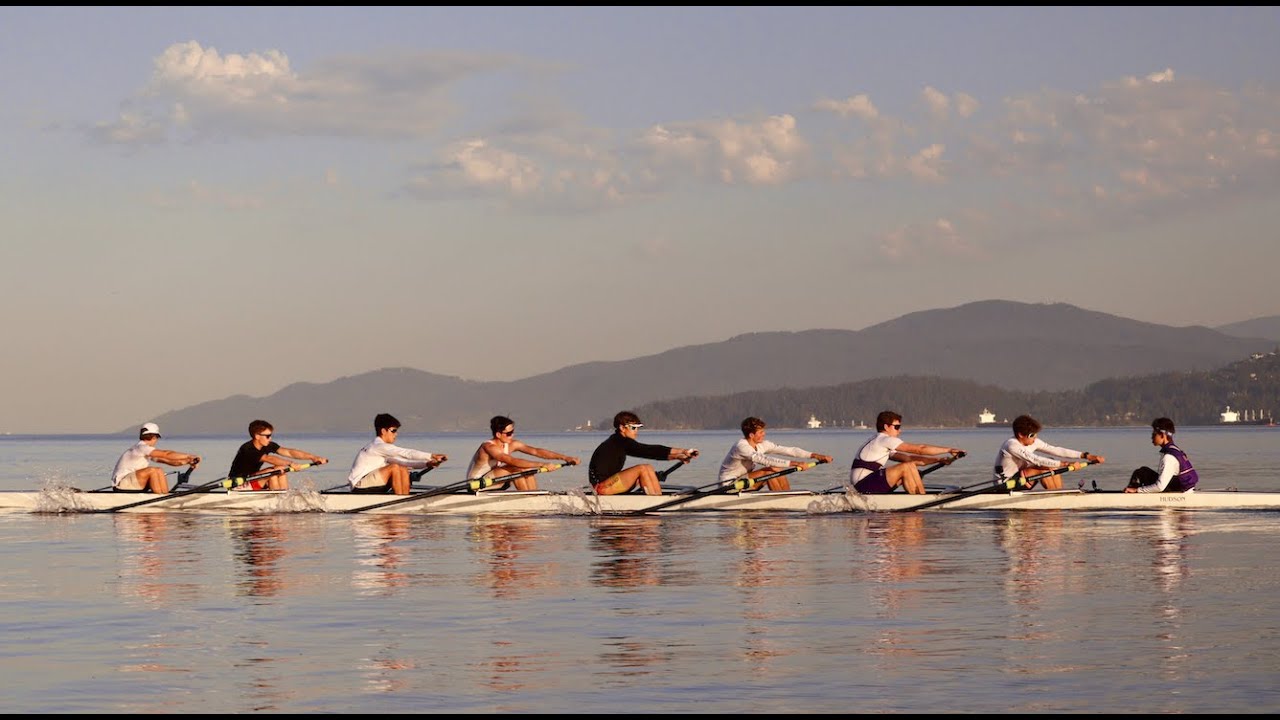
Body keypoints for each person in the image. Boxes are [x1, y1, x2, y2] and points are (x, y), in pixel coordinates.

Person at [851, 411, 964, 495]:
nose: (899, 431)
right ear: (886, 427)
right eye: (897, 427)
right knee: (907, 467)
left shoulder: (880, 443)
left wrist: (939, 460)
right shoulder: (884, 439)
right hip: (863, 485)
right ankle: (922, 498)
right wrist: (949, 450)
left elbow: (909, 458)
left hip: (866, 484)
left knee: (910, 466)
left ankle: (918, 496)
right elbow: (920, 449)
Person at [588, 411, 699, 496]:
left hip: (610, 484)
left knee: (648, 468)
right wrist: (682, 451)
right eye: (633, 428)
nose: (636, 431)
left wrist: (678, 457)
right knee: (643, 468)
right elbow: (649, 450)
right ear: (622, 428)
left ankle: (657, 497)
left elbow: (651, 453)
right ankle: (656, 500)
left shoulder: (620, 442)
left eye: (638, 428)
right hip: (601, 488)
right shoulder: (619, 442)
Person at [465, 415, 580, 491]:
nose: (512, 435)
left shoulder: (512, 444)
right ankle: (528, 499)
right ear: (498, 434)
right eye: (508, 433)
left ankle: (534, 496)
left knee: (526, 469)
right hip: (476, 483)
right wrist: (542, 465)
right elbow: (512, 461)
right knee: (516, 468)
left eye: (513, 432)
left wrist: (565, 457)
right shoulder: (489, 447)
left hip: (495, 480)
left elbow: (536, 451)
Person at [718, 416, 833, 491]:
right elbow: (764, 460)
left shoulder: (763, 445)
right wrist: (795, 464)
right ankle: (783, 500)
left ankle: (788, 496)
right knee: (770, 470)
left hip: (745, 481)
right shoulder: (741, 446)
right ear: (751, 435)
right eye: (761, 432)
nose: (764, 434)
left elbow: (790, 450)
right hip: (729, 485)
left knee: (776, 469)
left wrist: (817, 456)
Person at [993, 414, 1104, 490]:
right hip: (1005, 484)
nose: (1035, 438)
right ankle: (1055, 498)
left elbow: (1056, 450)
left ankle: (1059, 493)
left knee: (1051, 464)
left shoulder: (1033, 442)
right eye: (1032, 435)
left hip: (1022, 479)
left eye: (1036, 434)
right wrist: (1066, 464)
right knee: (1044, 467)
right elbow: (1036, 460)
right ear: (1021, 435)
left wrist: (1086, 456)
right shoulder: (1012, 445)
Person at [347, 413, 448, 495]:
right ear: (383, 431)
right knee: (394, 467)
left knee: (402, 467)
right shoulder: (378, 446)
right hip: (359, 487)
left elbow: (405, 462)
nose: (396, 434)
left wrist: (428, 463)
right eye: (393, 430)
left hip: (370, 483)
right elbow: (407, 453)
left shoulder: (383, 450)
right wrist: (432, 455)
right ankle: (400, 499)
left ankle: (404, 497)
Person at [227, 419, 328, 491]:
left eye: (270, 435)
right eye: (267, 436)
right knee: (275, 471)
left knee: (279, 469)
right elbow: (269, 458)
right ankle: (279, 498)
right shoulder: (247, 449)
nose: (270, 438)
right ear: (257, 436)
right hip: (239, 484)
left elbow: (289, 452)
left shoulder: (267, 445)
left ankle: (284, 495)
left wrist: (313, 457)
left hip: (253, 480)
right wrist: (291, 464)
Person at [110, 422, 202, 493]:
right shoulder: (141, 448)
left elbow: (168, 461)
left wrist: (188, 461)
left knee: (159, 470)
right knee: (153, 470)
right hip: (121, 485)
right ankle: (161, 498)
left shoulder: (145, 451)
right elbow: (166, 454)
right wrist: (189, 455)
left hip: (131, 483)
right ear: (154, 436)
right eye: (157, 438)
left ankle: (165, 496)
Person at [1125, 417, 1198, 493]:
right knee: (1144, 471)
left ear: (1162, 435)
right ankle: (1131, 491)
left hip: (1180, 491)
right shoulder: (1175, 449)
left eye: (1154, 434)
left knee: (1141, 473)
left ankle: (1130, 493)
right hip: (1183, 487)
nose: (1151, 437)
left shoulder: (1169, 457)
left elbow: (1160, 487)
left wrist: (1137, 490)